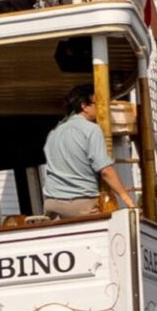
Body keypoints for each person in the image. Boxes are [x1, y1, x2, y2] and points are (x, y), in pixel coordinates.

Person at [40, 84, 138, 219]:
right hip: (80, 202)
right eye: (97, 103)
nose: (102, 108)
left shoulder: (54, 132)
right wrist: (128, 200)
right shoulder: (91, 130)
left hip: (50, 202)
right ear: (84, 106)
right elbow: (106, 171)